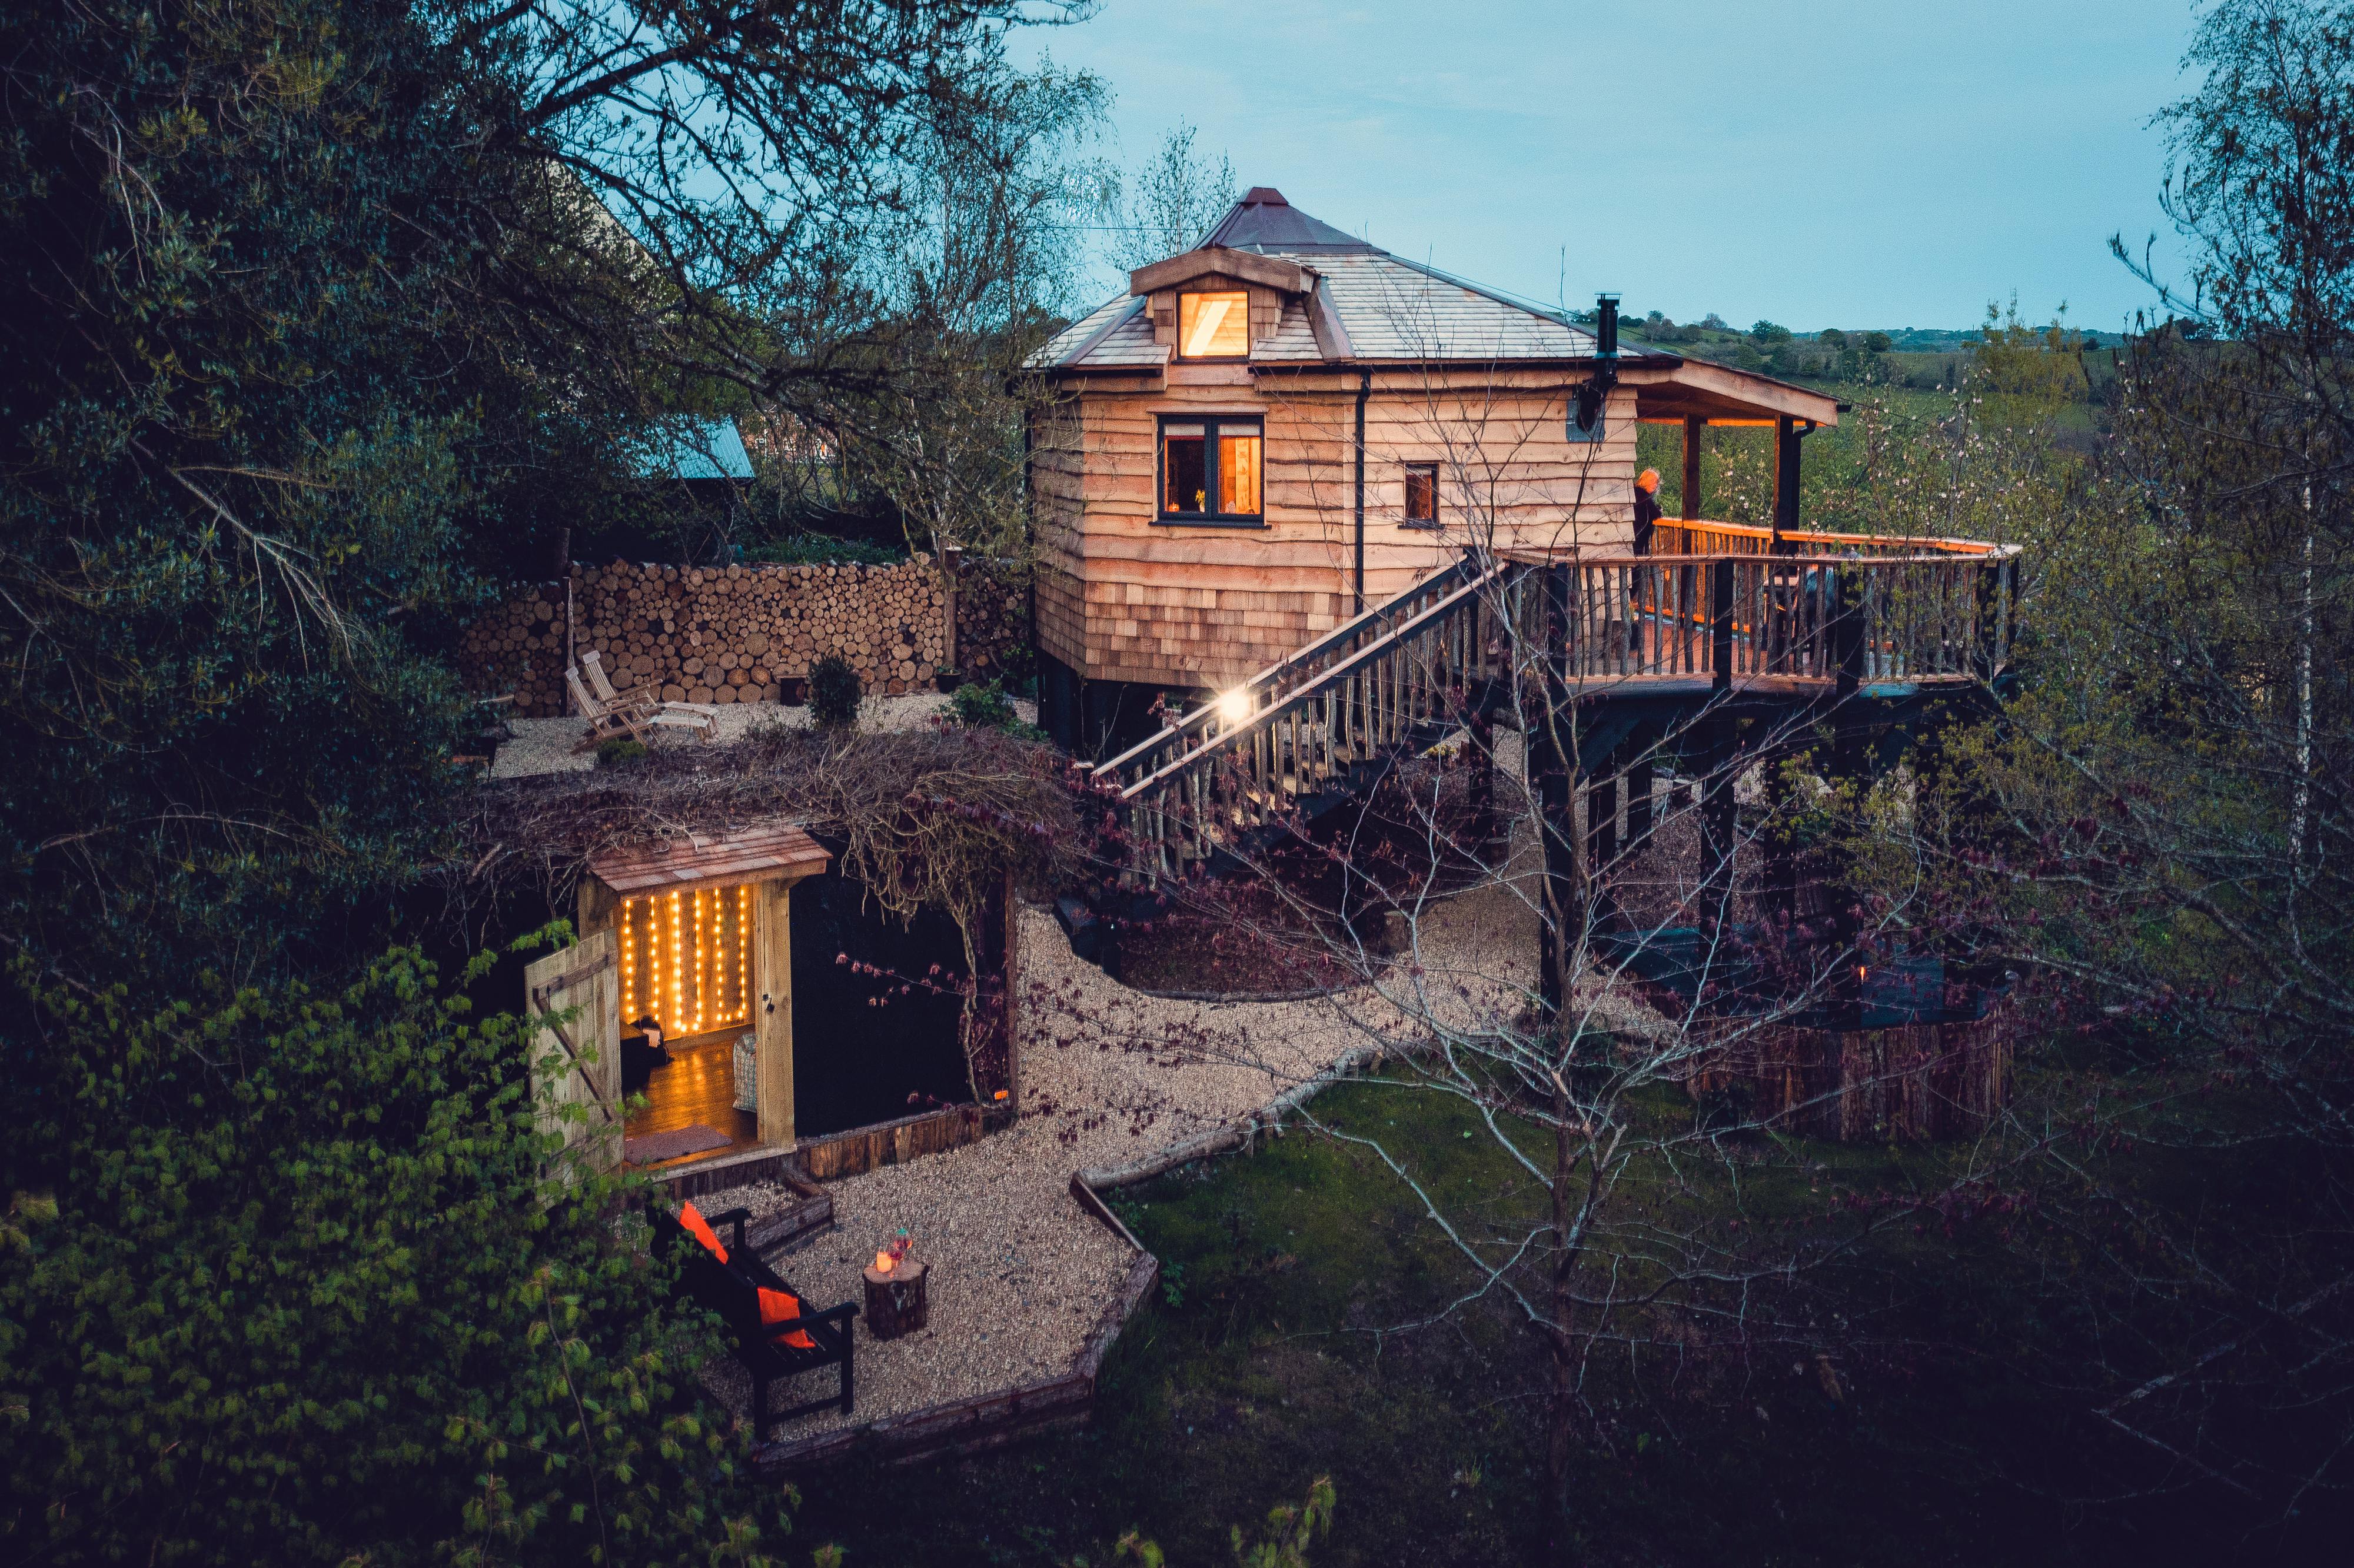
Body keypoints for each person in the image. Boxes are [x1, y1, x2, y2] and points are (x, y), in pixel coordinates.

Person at [1632, 467, 1663, 555]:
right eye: (1653, 481)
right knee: (1638, 566)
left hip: (1635, 538)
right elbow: (1657, 513)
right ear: (1645, 481)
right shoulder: (1643, 495)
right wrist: (1659, 509)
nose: (1655, 485)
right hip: (1637, 540)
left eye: (1656, 482)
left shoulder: (1635, 492)